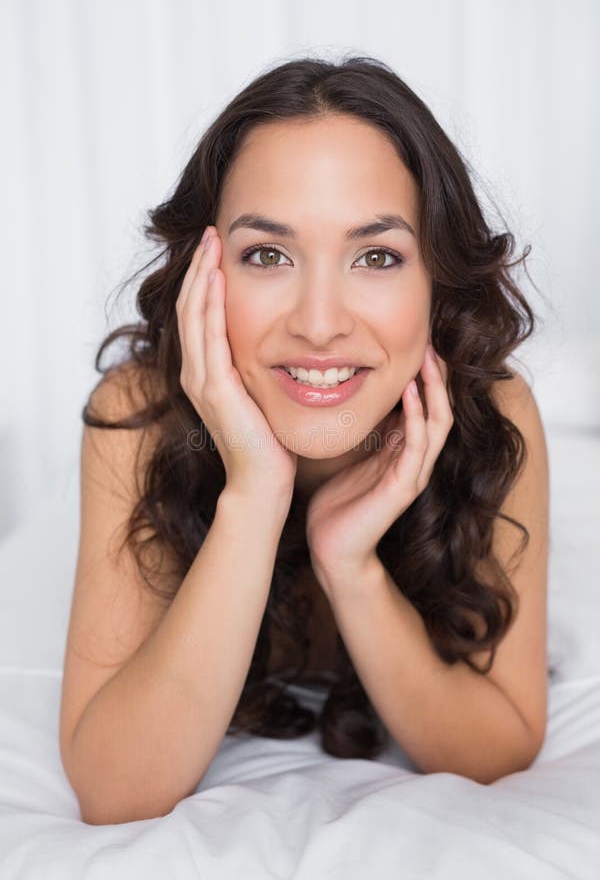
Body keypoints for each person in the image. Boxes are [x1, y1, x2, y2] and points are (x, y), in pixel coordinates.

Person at [58, 55, 550, 825]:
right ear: (204, 275)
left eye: (377, 256)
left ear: (437, 285)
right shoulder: (138, 414)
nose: (320, 323)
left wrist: (350, 564)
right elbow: (114, 791)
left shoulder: (494, 412)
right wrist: (253, 496)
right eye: (268, 255)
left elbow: (501, 747)